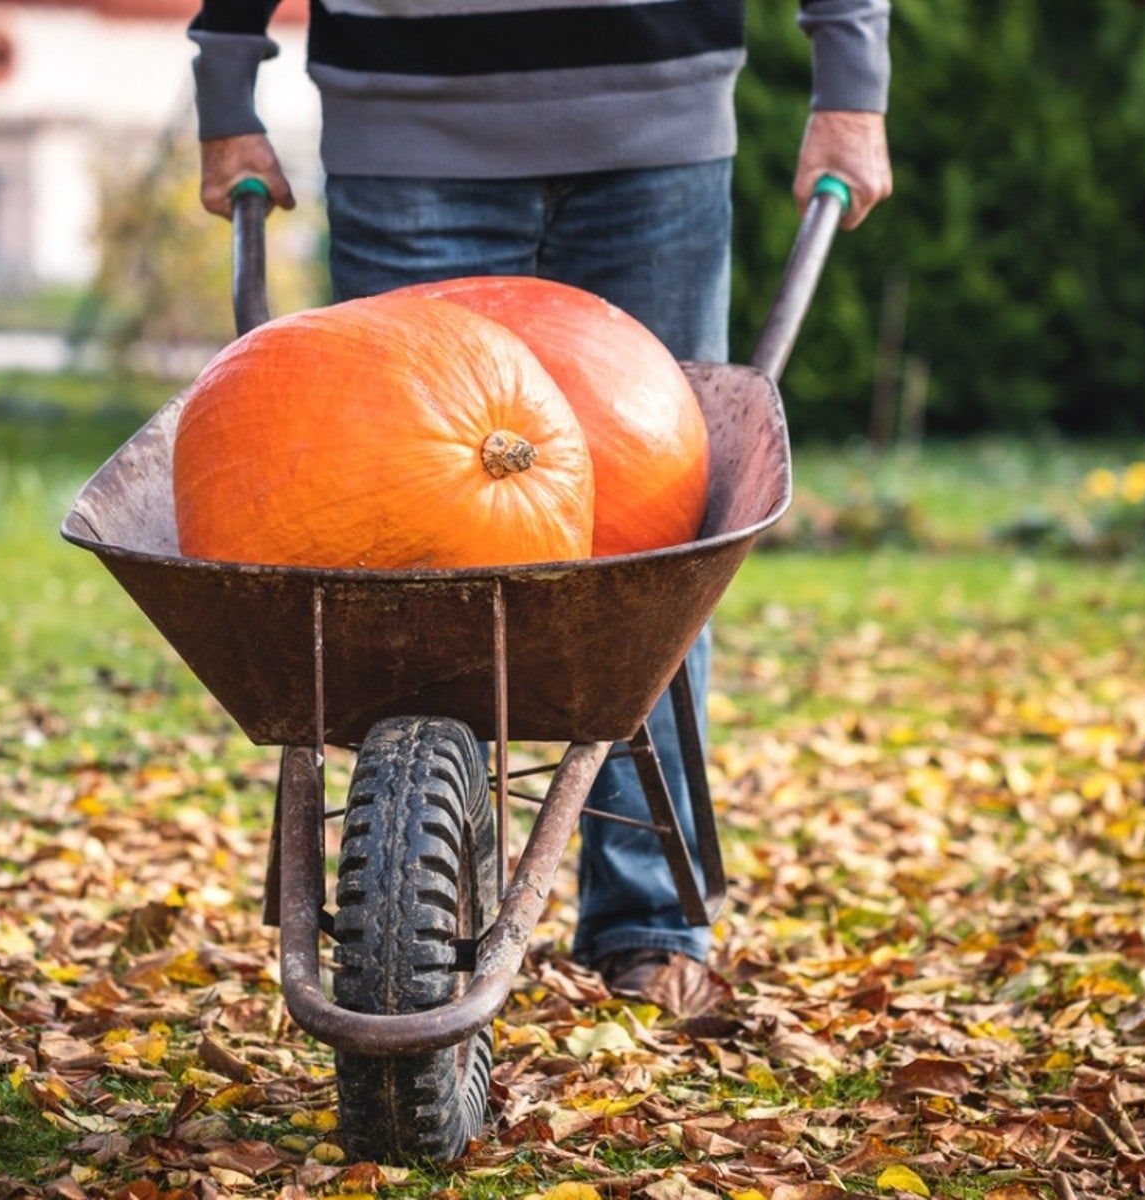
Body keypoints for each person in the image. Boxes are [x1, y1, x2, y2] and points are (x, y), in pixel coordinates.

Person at [189, 0, 893, 996]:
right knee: (398, 547)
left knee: (650, 545)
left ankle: (648, 924)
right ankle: (420, 904)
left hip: (658, 116)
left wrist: (850, 77)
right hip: (407, 122)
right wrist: (226, 80)